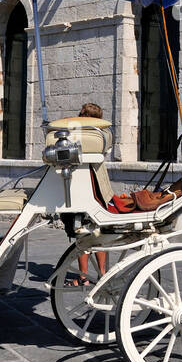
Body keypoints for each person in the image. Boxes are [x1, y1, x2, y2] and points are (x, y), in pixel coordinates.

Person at [74, 102, 107, 285]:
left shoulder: (87, 136)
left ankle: (85, 276)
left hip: (85, 188)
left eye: (81, 114)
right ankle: (101, 273)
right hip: (97, 188)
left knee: (83, 233)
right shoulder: (102, 135)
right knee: (97, 233)